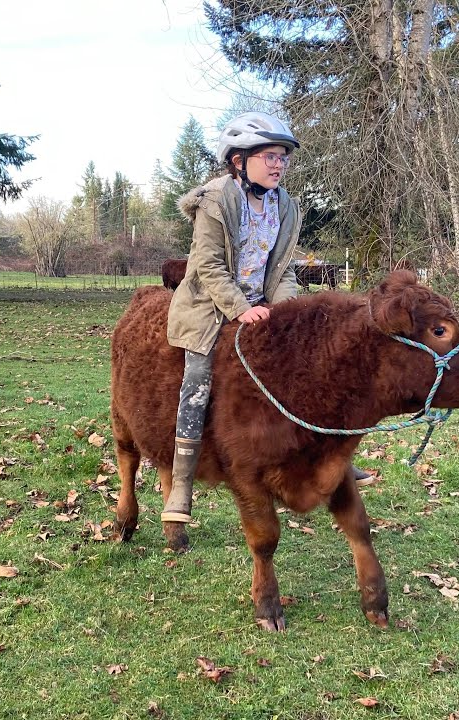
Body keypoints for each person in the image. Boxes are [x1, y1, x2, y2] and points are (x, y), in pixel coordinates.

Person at [161, 111, 303, 527]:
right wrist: (240, 309)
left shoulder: (285, 205)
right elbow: (208, 265)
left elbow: (283, 270)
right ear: (239, 160)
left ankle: (321, 460)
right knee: (198, 380)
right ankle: (182, 486)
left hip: (262, 305)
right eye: (269, 156)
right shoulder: (217, 199)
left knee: (304, 368)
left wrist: (283, 312)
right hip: (210, 306)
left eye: (283, 157)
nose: (278, 164)